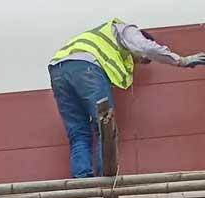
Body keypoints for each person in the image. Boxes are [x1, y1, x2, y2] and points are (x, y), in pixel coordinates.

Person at [49, 18, 205, 178]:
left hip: (57, 70)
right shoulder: (126, 30)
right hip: (86, 67)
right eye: (144, 59)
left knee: (79, 133)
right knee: (105, 127)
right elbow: (147, 47)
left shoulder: (99, 40)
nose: (140, 61)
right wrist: (182, 61)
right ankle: (106, 180)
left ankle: (82, 181)